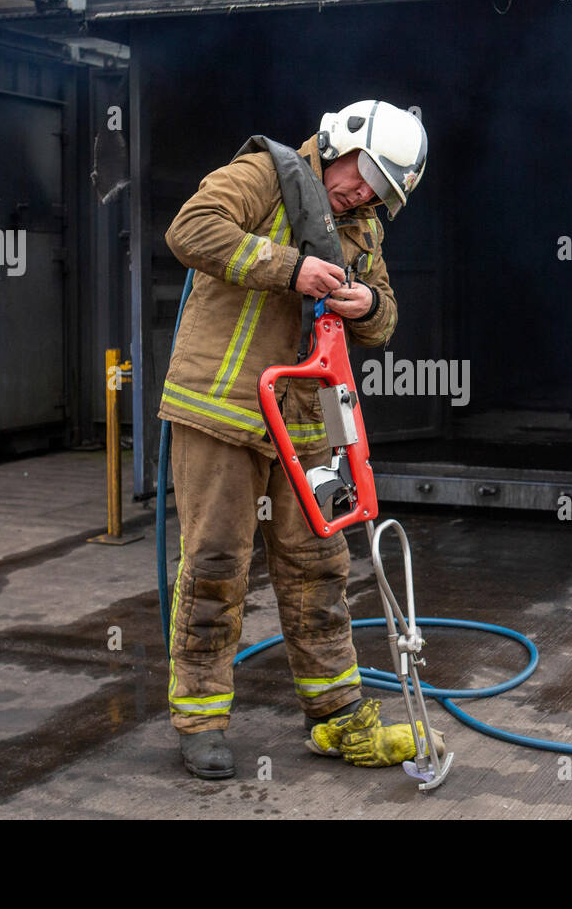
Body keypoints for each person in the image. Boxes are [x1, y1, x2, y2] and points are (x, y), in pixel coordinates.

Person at [158, 100, 427, 779]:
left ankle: (336, 715)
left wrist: (366, 305)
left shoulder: (362, 229)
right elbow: (190, 230)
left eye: (380, 191)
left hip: (304, 425)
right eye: (364, 174)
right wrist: (288, 267)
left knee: (320, 566)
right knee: (217, 562)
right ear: (339, 142)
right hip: (220, 409)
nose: (363, 193)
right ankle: (202, 720)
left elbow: (385, 317)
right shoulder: (263, 175)